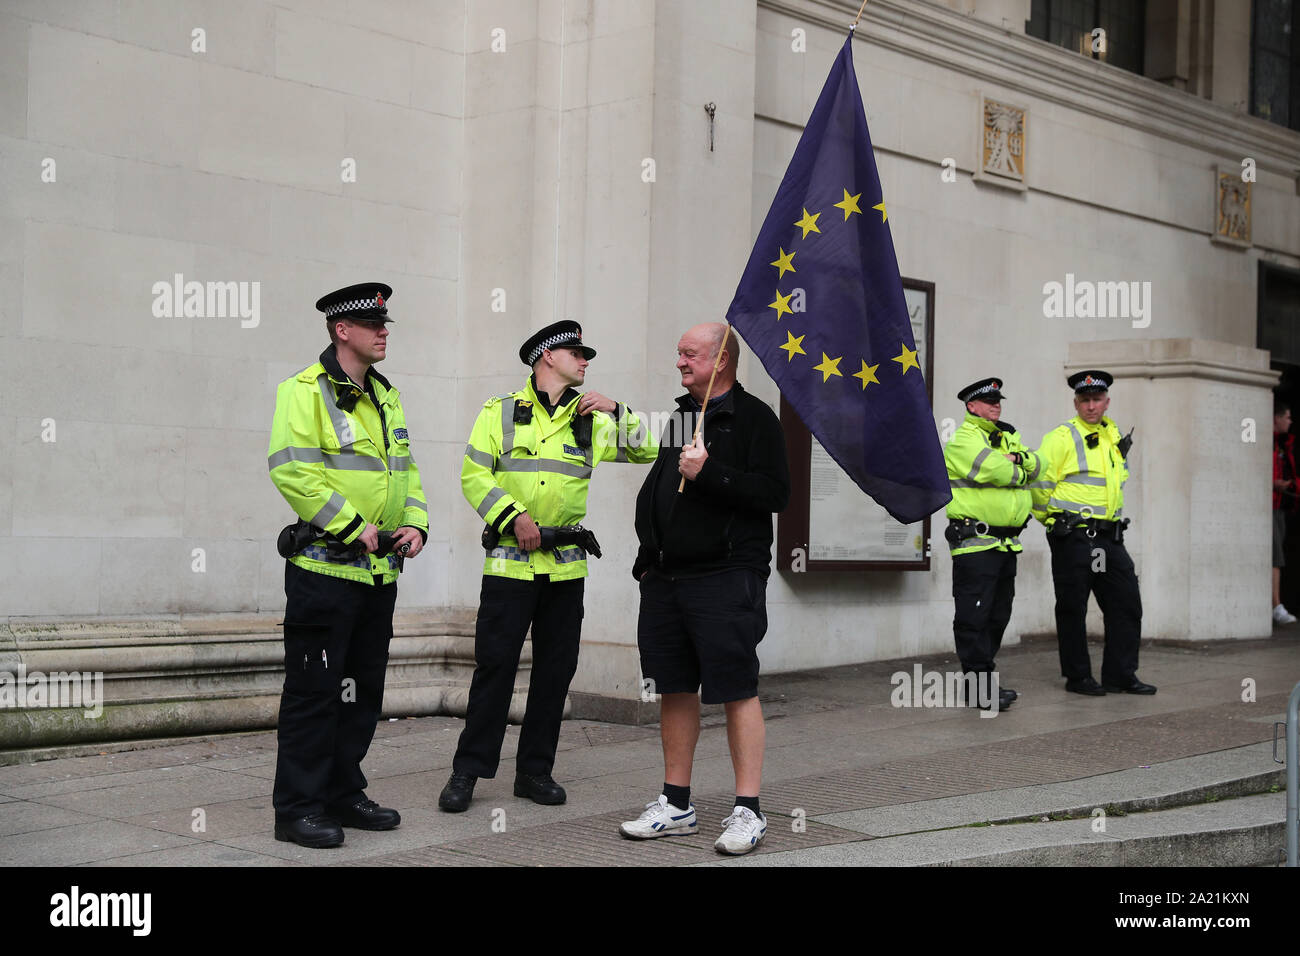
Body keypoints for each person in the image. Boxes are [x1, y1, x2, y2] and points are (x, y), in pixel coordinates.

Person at [438, 320, 657, 812]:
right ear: (546, 357)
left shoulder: (592, 418)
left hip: (565, 567)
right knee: (495, 670)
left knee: (555, 673)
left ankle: (535, 773)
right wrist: (511, 516)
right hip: (509, 567)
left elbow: (649, 447)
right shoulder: (499, 412)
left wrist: (619, 410)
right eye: (576, 352)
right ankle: (467, 772)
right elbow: (474, 473)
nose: (585, 360)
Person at [266, 282, 428, 848]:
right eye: (372, 323)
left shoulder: (387, 395)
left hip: (377, 576)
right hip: (324, 573)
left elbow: (404, 470)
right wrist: (353, 526)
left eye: (385, 323)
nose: (385, 331)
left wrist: (416, 523)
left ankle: (341, 791)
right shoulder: (303, 391)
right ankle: (298, 809)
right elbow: (292, 471)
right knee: (315, 692)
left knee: (362, 691)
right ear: (342, 330)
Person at [618, 323, 790, 856]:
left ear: (721, 360)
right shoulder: (681, 416)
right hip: (668, 579)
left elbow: (775, 493)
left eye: (689, 354)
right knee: (674, 685)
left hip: (725, 576)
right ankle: (676, 804)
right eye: (678, 354)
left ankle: (748, 810)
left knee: (735, 687)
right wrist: (648, 562)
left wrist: (712, 472)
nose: (679, 363)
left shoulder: (755, 417)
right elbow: (662, 490)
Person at [1031, 370, 1155, 696]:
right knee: (1073, 607)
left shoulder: (1113, 435)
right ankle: (1078, 677)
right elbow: (1039, 486)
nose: (1090, 406)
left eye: (1096, 399)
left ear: (1107, 401)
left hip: (1108, 538)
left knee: (1125, 603)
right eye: (1084, 400)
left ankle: (1119, 674)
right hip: (1074, 535)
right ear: (1075, 402)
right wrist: (1054, 522)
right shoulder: (1061, 437)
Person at [942, 378, 1039, 711]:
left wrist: (1019, 461)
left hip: (1006, 544)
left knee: (999, 615)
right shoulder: (963, 440)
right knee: (974, 617)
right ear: (972, 406)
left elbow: (1038, 467)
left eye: (998, 399)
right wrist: (1018, 463)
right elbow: (998, 471)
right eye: (988, 400)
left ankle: (982, 680)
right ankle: (979, 686)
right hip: (976, 543)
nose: (996, 404)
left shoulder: (1007, 438)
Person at [1273, 399, 1296, 625]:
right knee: (1275, 556)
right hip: (1270, 505)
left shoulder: (1283, 444)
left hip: (1279, 504)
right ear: (1276, 418)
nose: (1290, 422)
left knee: (1276, 555)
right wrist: (1273, 483)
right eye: (1287, 417)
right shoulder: (1265, 441)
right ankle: (1275, 605)